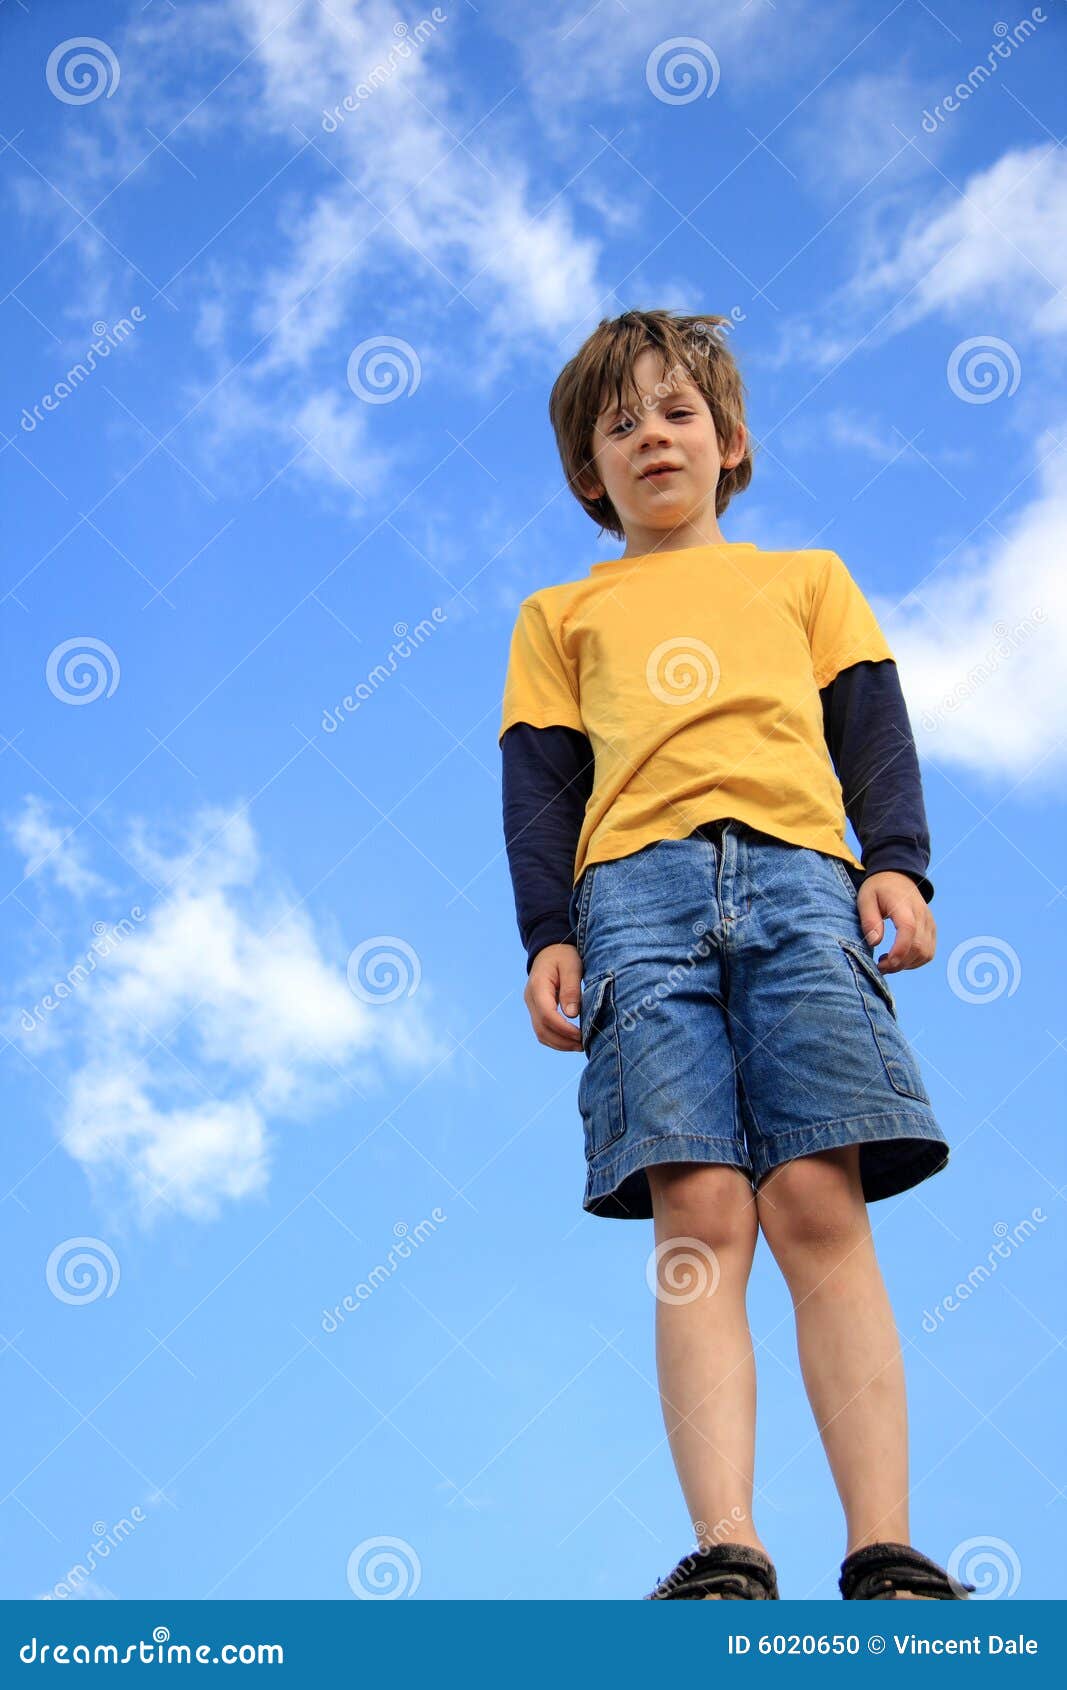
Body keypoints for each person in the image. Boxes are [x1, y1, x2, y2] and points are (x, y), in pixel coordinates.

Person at [498, 309, 975, 1603]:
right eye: (619, 422)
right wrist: (548, 931)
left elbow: (870, 721)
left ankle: (885, 1548)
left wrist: (899, 859)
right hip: (633, 904)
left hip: (800, 879)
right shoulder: (558, 613)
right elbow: (540, 782)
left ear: (731, 440)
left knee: (819, 1196)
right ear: (590, 471)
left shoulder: (807, 581)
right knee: (698, 1213)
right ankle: (730, 1549)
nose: (651, 433)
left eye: (677, 411)